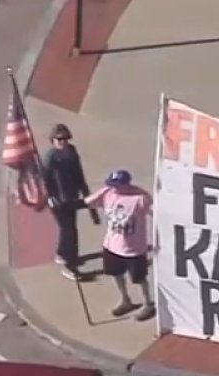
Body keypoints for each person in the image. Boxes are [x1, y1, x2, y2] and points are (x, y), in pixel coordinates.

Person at [85, 169, 155, 321]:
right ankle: (125, 299)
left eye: (118, 185)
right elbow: (88, 202)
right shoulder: (108, 193)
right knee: (116, 274)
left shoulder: (139, 198)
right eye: (112, 184)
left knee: (139, 278)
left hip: (133, 248)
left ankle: (147, 303)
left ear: (127, 184)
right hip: (112, 245)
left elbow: (154, 212)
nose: (115, 188)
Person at [40, 123, 97, 281]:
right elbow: (44, 179)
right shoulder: (51, 157)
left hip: (72, 196)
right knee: (69, 231)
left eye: (65, 138)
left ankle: (62, 254)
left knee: (70, 229)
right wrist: (50, 197)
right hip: (59, 200)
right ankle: (68, 263)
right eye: (59, 139)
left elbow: (79, 174)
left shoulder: (72, 152)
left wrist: (85, 194)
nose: (63, 142)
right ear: (53, 140)